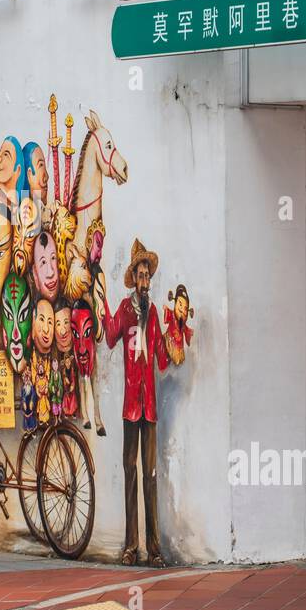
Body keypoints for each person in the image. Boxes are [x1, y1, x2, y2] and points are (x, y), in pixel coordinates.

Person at [101, 238, 169, 567]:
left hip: (150, 407)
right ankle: (132, 546)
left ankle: (154, 548)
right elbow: (111, 335)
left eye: (148, 275)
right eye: (140, 274)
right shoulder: (127, 310)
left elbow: (163, 359)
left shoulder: (153, 313)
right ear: (133, 277)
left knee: (150, 474)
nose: (145, 280)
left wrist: (178, 334)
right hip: (130, 406)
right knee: (130, 473)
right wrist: (100, 300)